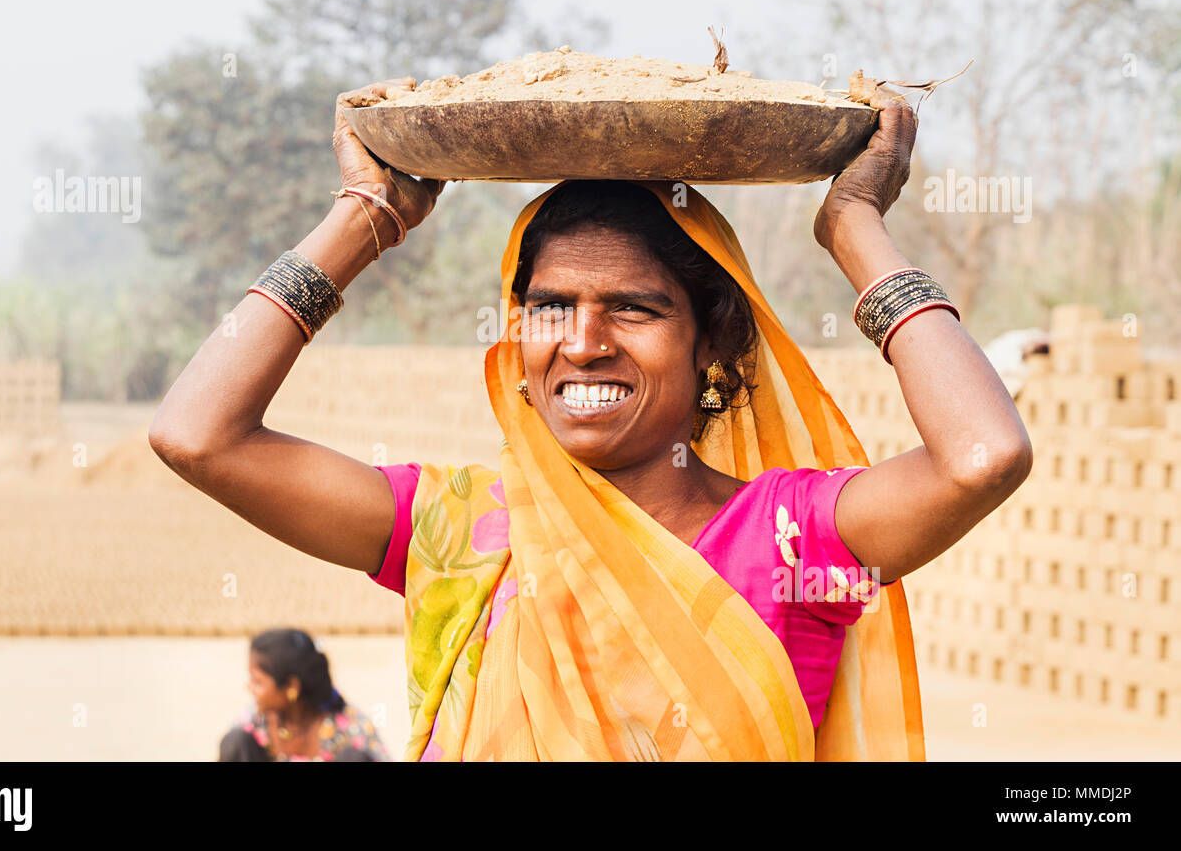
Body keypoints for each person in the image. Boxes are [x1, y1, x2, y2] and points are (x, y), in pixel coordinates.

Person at [153, 76, 1033, 761]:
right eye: (549, 307)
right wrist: (365, 219)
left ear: (714, 343)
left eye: (636, 309)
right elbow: (198, 434)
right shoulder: (459, 527)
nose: (583, 343)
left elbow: (982, 457)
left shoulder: (792, 542)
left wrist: (854, 226)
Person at [218, 628, 389, 762]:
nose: (249, 687)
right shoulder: (256, 721)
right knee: (234, 743)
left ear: (292, 686)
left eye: (258, 682)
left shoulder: (349, 726)